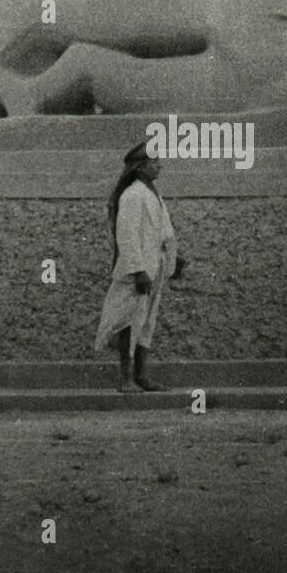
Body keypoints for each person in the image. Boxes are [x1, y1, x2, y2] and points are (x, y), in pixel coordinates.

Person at [94, 141, 185, 392]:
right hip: (139, 273)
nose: (159, 166)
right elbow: (127, 235)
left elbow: (163, 231)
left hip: (155, 267)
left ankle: (141, 375)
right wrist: (137, 270)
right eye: (154, 162)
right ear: (140, 167)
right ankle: (125, 378)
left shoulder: (153, 194)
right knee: (127, 323)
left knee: (147, 323)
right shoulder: (133, 195)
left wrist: (174, 257)